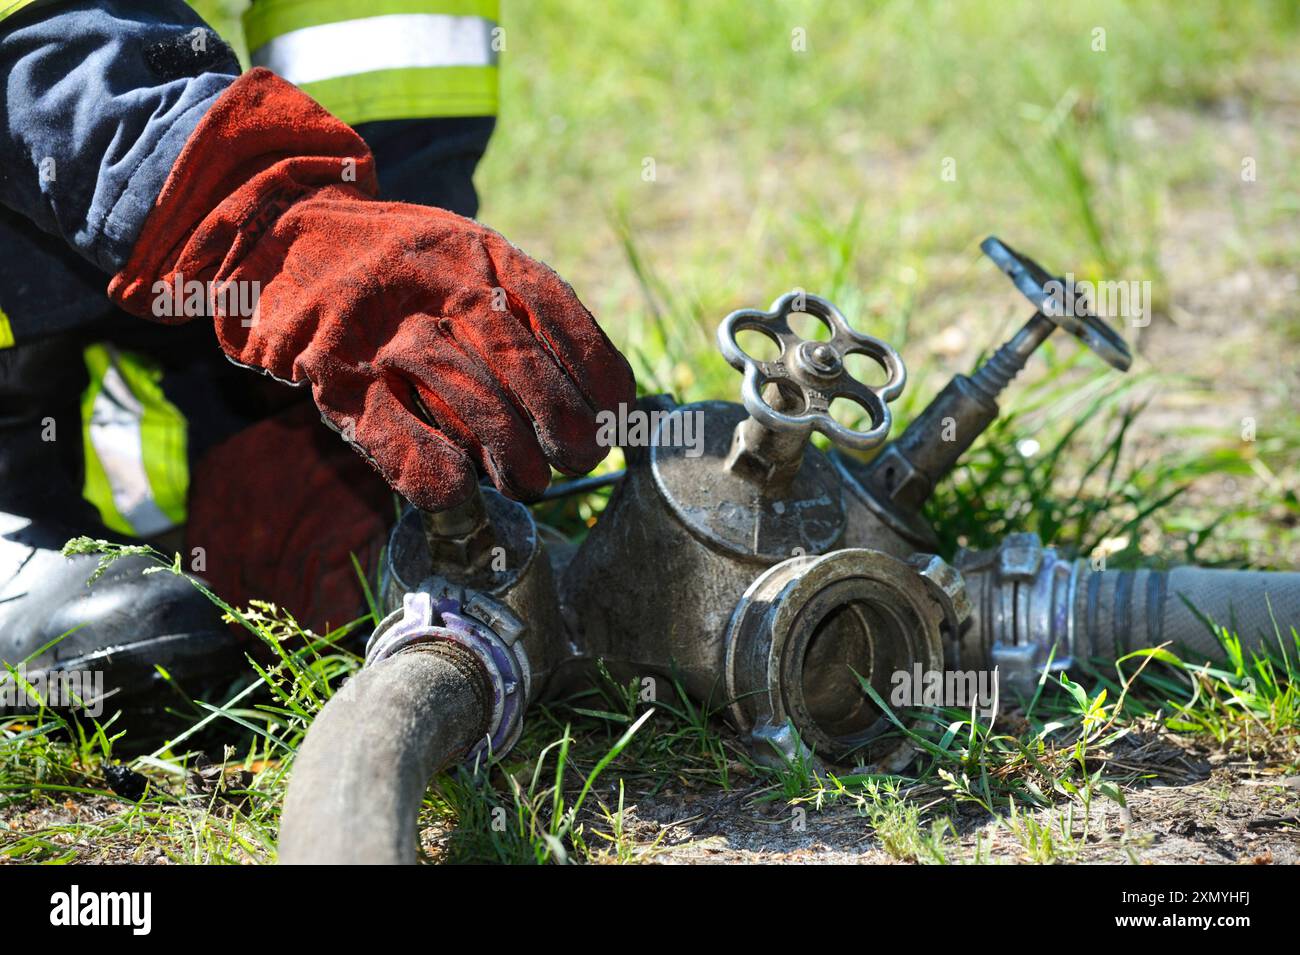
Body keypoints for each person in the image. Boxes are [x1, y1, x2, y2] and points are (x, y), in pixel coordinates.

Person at [0, 1, 634, 707]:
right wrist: (267, 225)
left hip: (175, 304)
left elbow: (372, 41)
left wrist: (373, 310)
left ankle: (231, 423)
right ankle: (15, 493)